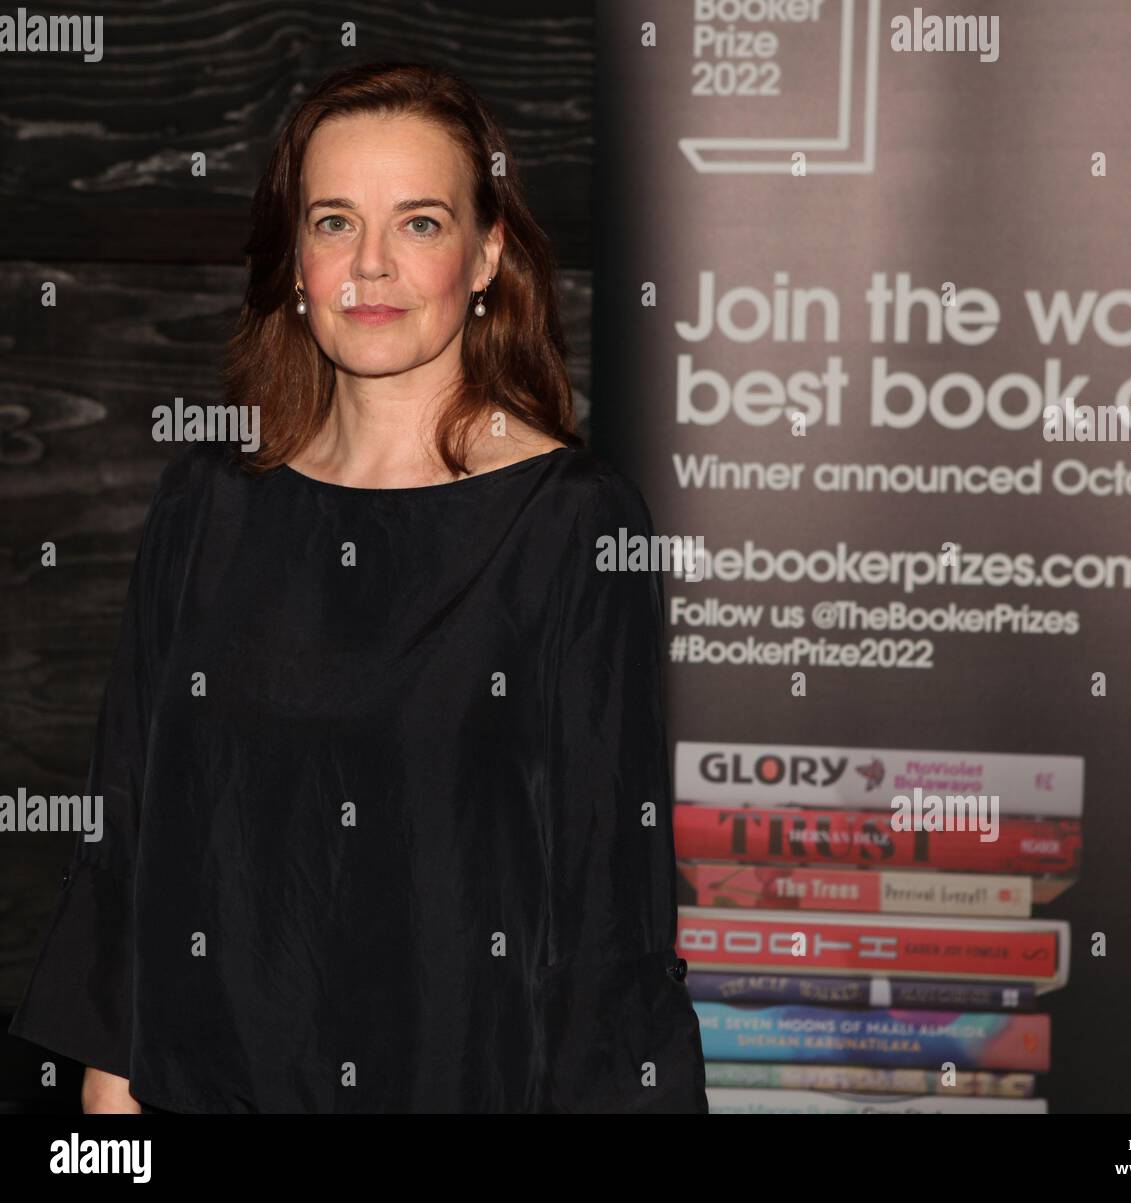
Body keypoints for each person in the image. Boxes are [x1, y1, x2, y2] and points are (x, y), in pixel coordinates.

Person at [8, 61, 707, 1114]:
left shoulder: (571, 524)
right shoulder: (206, 502)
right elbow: (132, 832)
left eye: (419, 223)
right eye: (334, 221)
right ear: (295, 256)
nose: (370, 266)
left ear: (487, 256)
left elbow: (609, 902)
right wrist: (110, 1095)